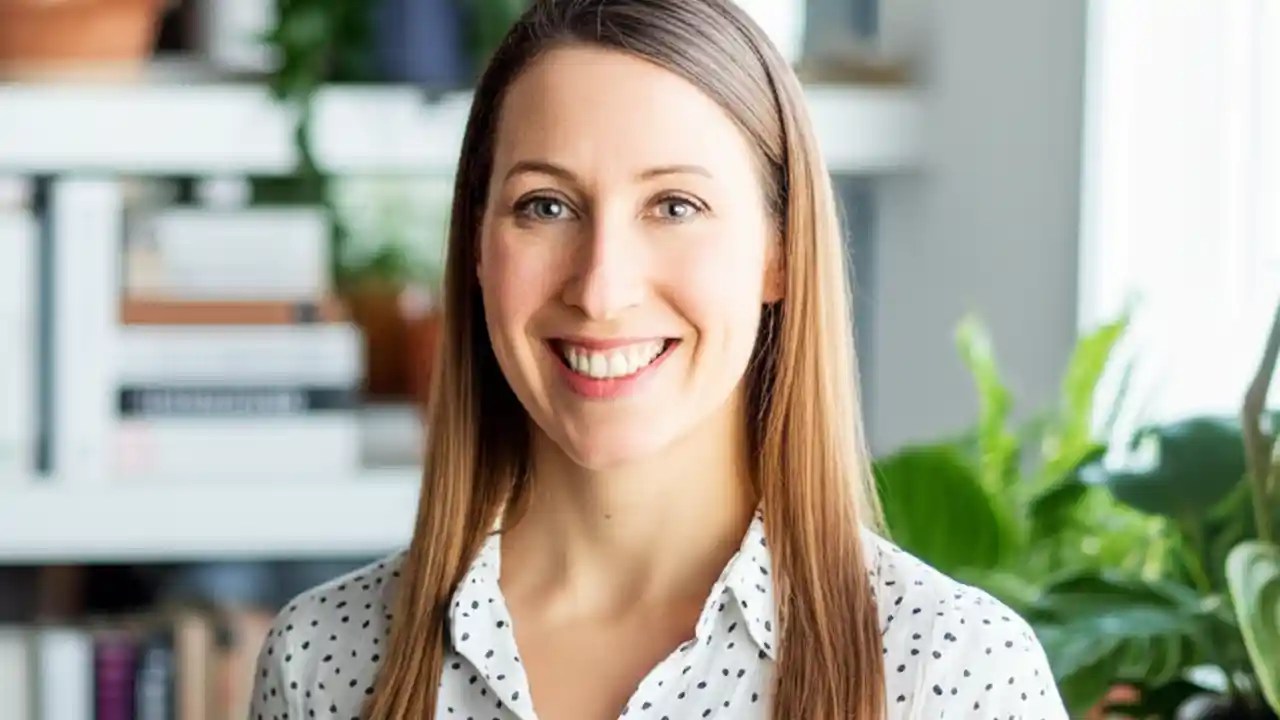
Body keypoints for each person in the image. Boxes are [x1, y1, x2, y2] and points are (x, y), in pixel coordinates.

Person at [250, 1, 1070, 718]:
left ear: (778, 253)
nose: (602, 288)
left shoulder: (955, 673)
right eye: (546, 205)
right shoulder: (327, 661)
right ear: (476, 245)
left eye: (675, 205)